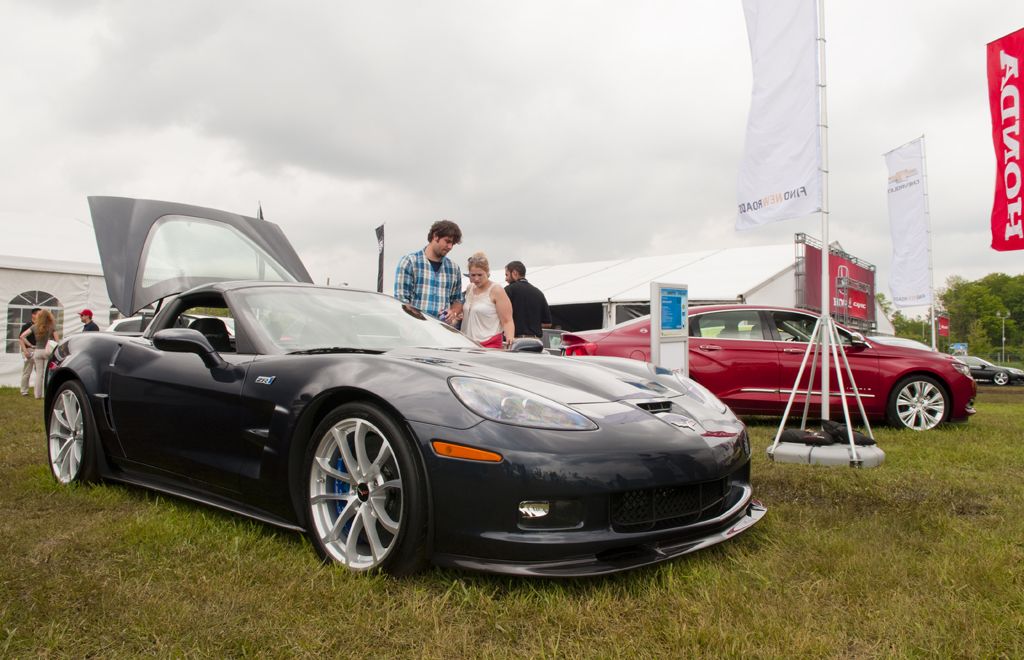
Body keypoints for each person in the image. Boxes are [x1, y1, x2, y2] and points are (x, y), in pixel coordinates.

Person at [394, 220, 465, 323]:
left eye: (453, 244)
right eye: (447, 241)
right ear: (435, 236)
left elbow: (457, 301)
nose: (450, 247)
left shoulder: (454, 268)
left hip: (441, 332)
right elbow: (401, 301)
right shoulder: (410, 262)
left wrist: (452, 312)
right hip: (413, 329)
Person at [461, 252, 515, 349]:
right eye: (472, 275)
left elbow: (507, 320)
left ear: (487, 273)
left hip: (490, 344)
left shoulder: (496, 290)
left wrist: (510, 340)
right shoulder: (470, 288)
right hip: (467, 344)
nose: (476, 279)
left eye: (480, 275)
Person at [504, 260, 552, 339]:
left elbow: (500, 317)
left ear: (514, 273)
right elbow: (548, 323)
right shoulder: (539, 293)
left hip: (515, 341)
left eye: (507, 275)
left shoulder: (508, 290)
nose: (506, 279)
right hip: (536, 342)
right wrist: (532, 324)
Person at [20, 308, 60, 399]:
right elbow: (57, 340)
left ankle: (37, 395)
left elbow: (22, 336)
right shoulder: (51, 326)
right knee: (46, 374)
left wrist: (30, 344)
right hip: (47, 351)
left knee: (39, 374)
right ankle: (45, 394)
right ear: (49, 316)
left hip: (37, 351)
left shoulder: (35, 326)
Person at [18, 308, 40, 396]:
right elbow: (20, 339)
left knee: (39, 372)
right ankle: (24, 391)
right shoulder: (26, 326)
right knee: (27, 371)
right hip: (29, 350)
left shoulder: (41, 326)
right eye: (39, 314)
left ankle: (39, 391)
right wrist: (25, 351)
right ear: (33, 315)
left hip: (39, 350)